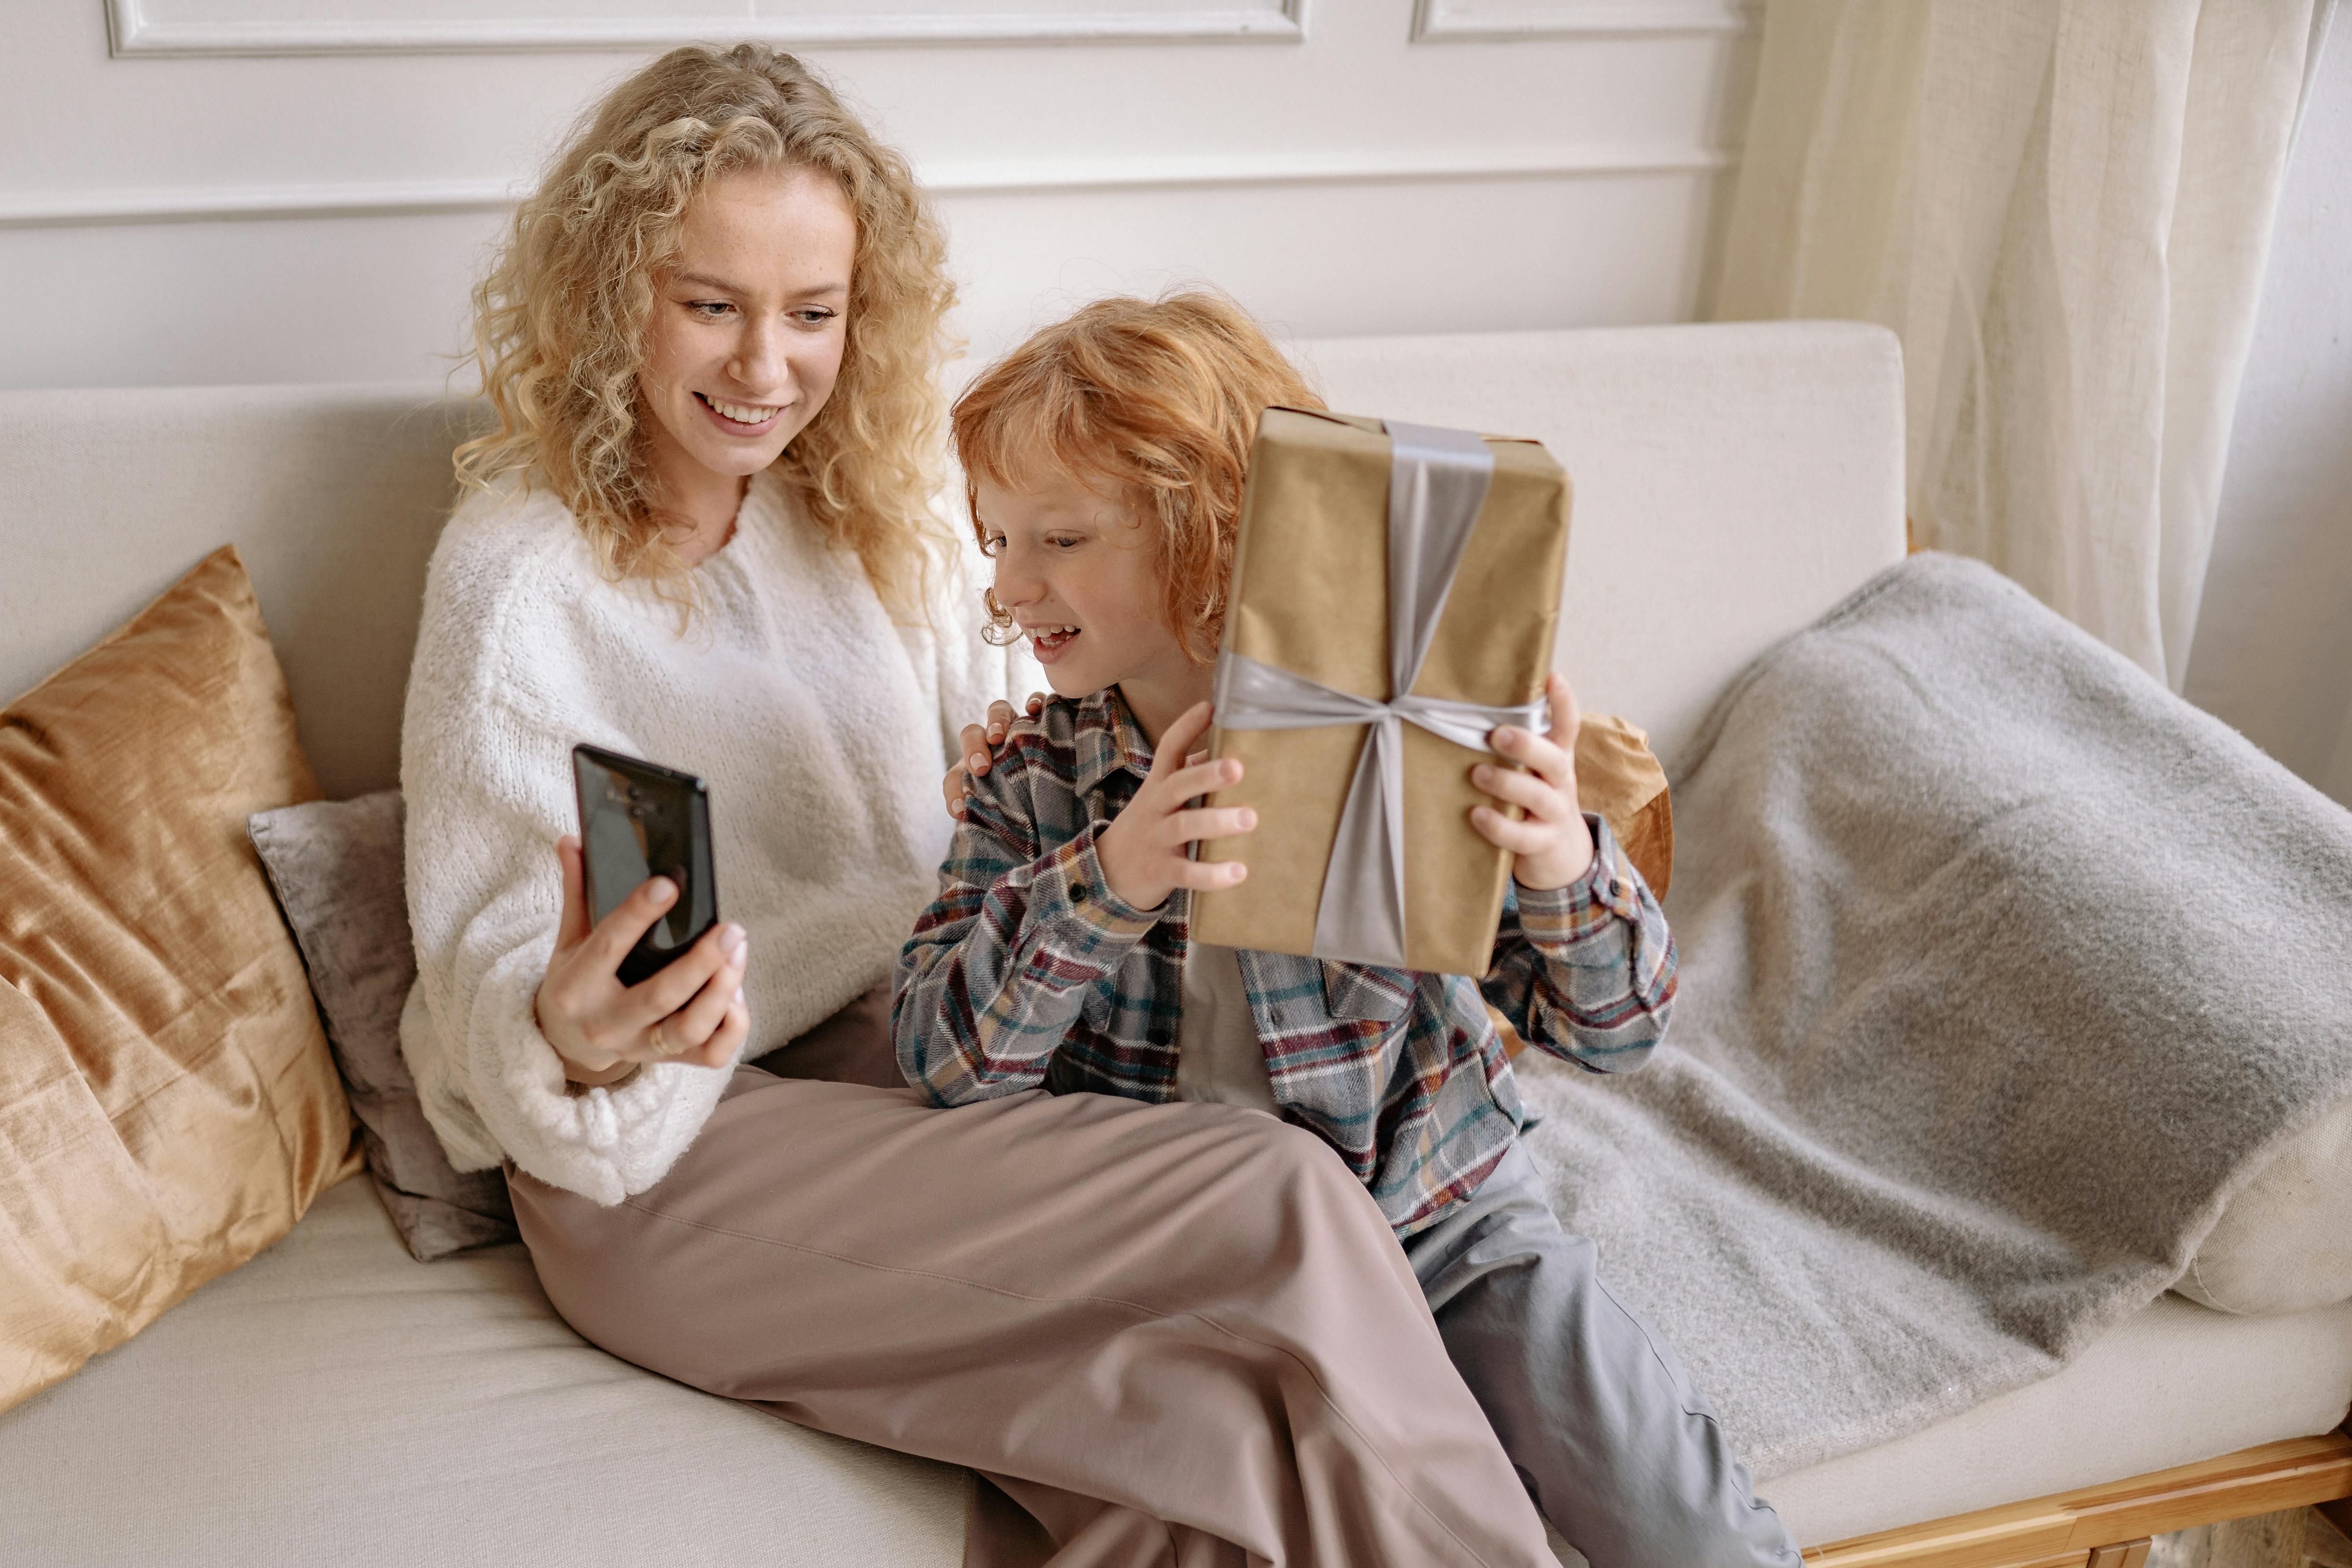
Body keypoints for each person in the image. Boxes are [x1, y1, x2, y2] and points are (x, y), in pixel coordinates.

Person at [397, 41, 1559, 1568]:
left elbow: (1034, 799)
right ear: (615, 295)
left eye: (814, 313)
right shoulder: (518, 580)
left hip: (912, 1097)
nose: (766, 367)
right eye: (712, 305)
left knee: (1213, 1456)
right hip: (667, 1150)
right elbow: (484, 958)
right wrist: (569, 1028)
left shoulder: (877, 522)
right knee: (1278, 1193)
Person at [895, 292, 1803, 1568]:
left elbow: (1619, 1028)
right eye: (997, 538)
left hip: (1439, 1219)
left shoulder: (1407, 737)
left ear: (1213, 535)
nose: (1008, 584)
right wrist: (1110, 879)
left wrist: (1556, 856)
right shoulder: (1033, 782)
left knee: (1680, 1519)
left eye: (1061, 537)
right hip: (1197, 1274)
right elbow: (941, 1060)